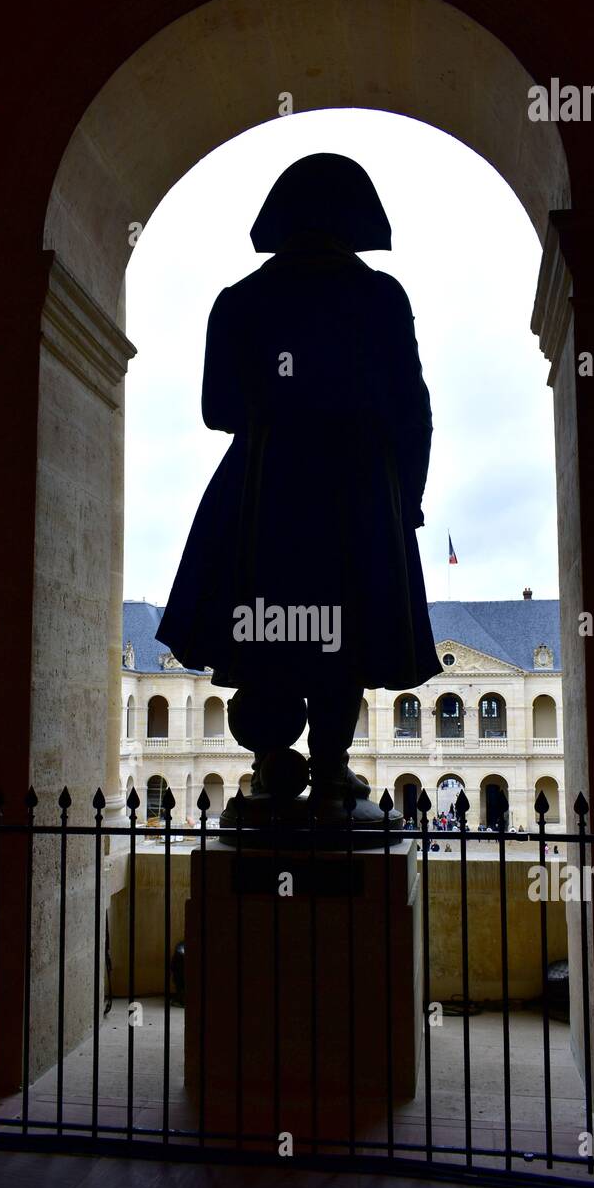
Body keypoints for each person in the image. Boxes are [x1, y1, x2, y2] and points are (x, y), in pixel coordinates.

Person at [156, 154, 441, 824]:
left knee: (263, 634)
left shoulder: (239, 301)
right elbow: (413, 411)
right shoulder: (380, 296)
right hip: (358, 489)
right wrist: (409, 501)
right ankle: (335, 772)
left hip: (267, 483)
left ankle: (270, 773)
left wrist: (278, 408)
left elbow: (217, 409)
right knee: (344, 636)